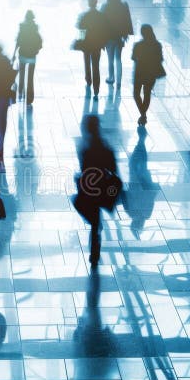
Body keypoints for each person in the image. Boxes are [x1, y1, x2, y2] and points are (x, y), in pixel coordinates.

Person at [75, 115, 118, 268]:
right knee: (96, 217)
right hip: (102, 188)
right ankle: (96, 243)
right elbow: (113, 168)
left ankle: (95, 238)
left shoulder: (84, 147)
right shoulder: (105, 146)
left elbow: (83, 168)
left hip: (88, 188)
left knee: (93, 217)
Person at [131, 24, 165, 125]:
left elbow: (133, 57)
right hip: (151, 73)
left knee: (136, 94)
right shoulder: (157, 45)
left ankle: (143, 115)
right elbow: (160, 59)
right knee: (147, 93)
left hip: (139, 72)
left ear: (142, 33)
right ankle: (143, 115)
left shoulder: (138, 45)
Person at [101, 0, 133, 88]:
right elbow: (128, 19)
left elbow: (101, 22)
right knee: (118, 58)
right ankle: (119, 80)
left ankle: (111, 77)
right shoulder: (124, 5)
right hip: (120, 36)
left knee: (110, 59)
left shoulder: (105, 6)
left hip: (108, 37)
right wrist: (127, 33)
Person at [78, 0, 108, 97]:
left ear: (89, 4)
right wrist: (103, 43)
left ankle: (88, 80)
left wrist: (81, 42)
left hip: (87, 44)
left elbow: (81, 30)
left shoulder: (85, 15)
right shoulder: (101, 16)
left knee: (87, 62)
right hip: (97, 44)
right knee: (96, 65)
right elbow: (104, 30)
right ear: (96, 3)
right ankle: (96, 88)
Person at [15, 10, 42, 105]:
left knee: (21, 75)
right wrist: (37, 50)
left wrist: (14, 53)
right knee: (30, 78)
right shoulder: (35, 28)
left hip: (22, 54)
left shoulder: (22, 27)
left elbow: (18, 41)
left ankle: (20, 93)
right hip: (32, 56)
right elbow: (39, 41)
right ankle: (29, 98)